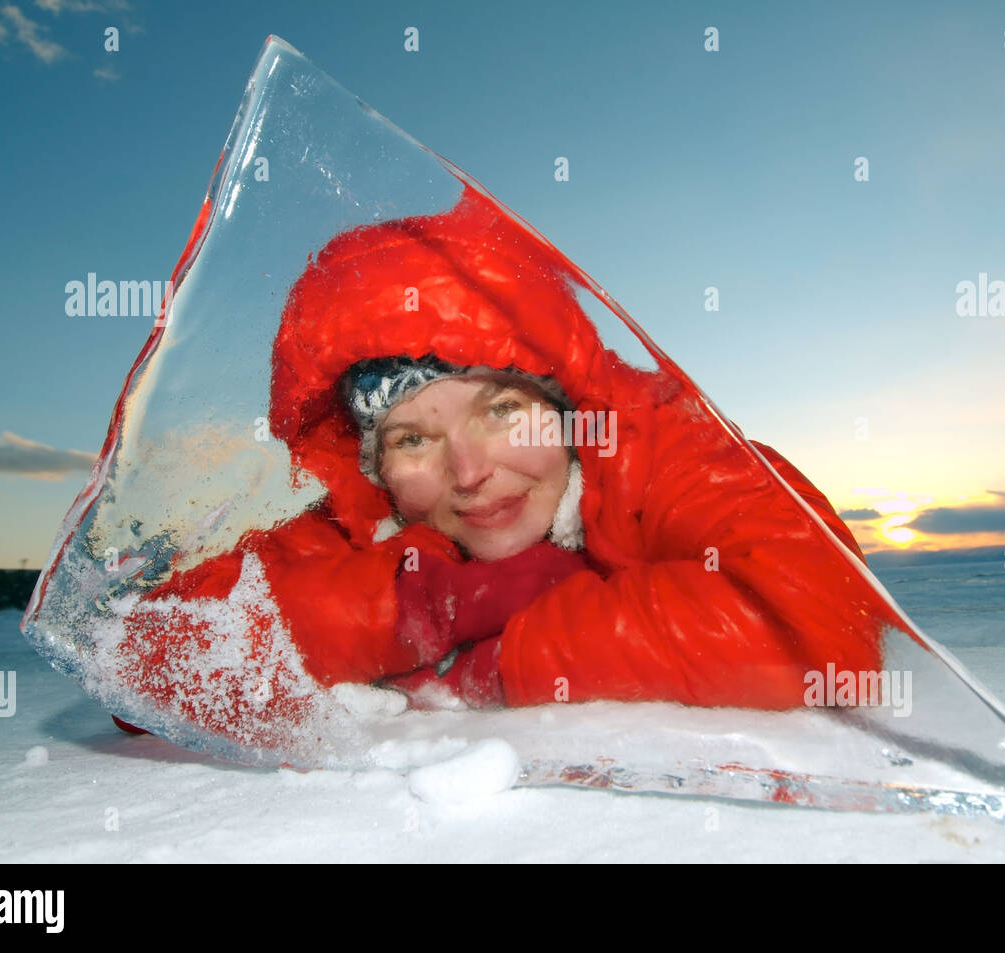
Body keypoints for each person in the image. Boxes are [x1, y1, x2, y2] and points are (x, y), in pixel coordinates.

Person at [111, 183, 908, 744]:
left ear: (564, 407)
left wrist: (520, 654)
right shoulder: (372, 522)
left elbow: (819, 620)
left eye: (501, 411)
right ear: (374, 464)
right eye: (412, 439)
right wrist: (416, 608)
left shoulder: (659, 444)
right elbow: (137, 661)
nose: (470, 472)